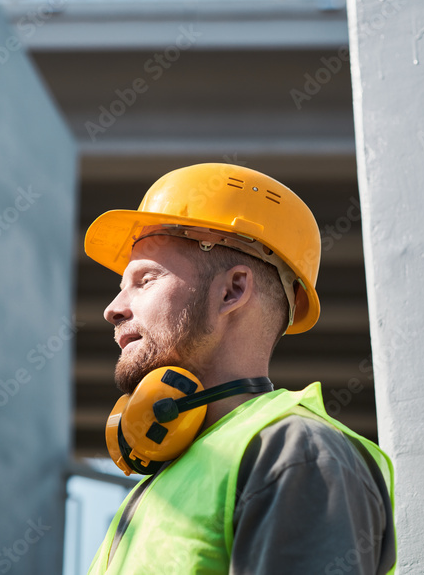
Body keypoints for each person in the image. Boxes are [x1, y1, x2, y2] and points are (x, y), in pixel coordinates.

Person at [83, 163, 396, 574]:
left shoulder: (297, 455)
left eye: (145, 280)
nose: (113, 308)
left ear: (232, 290)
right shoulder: (164, 479)